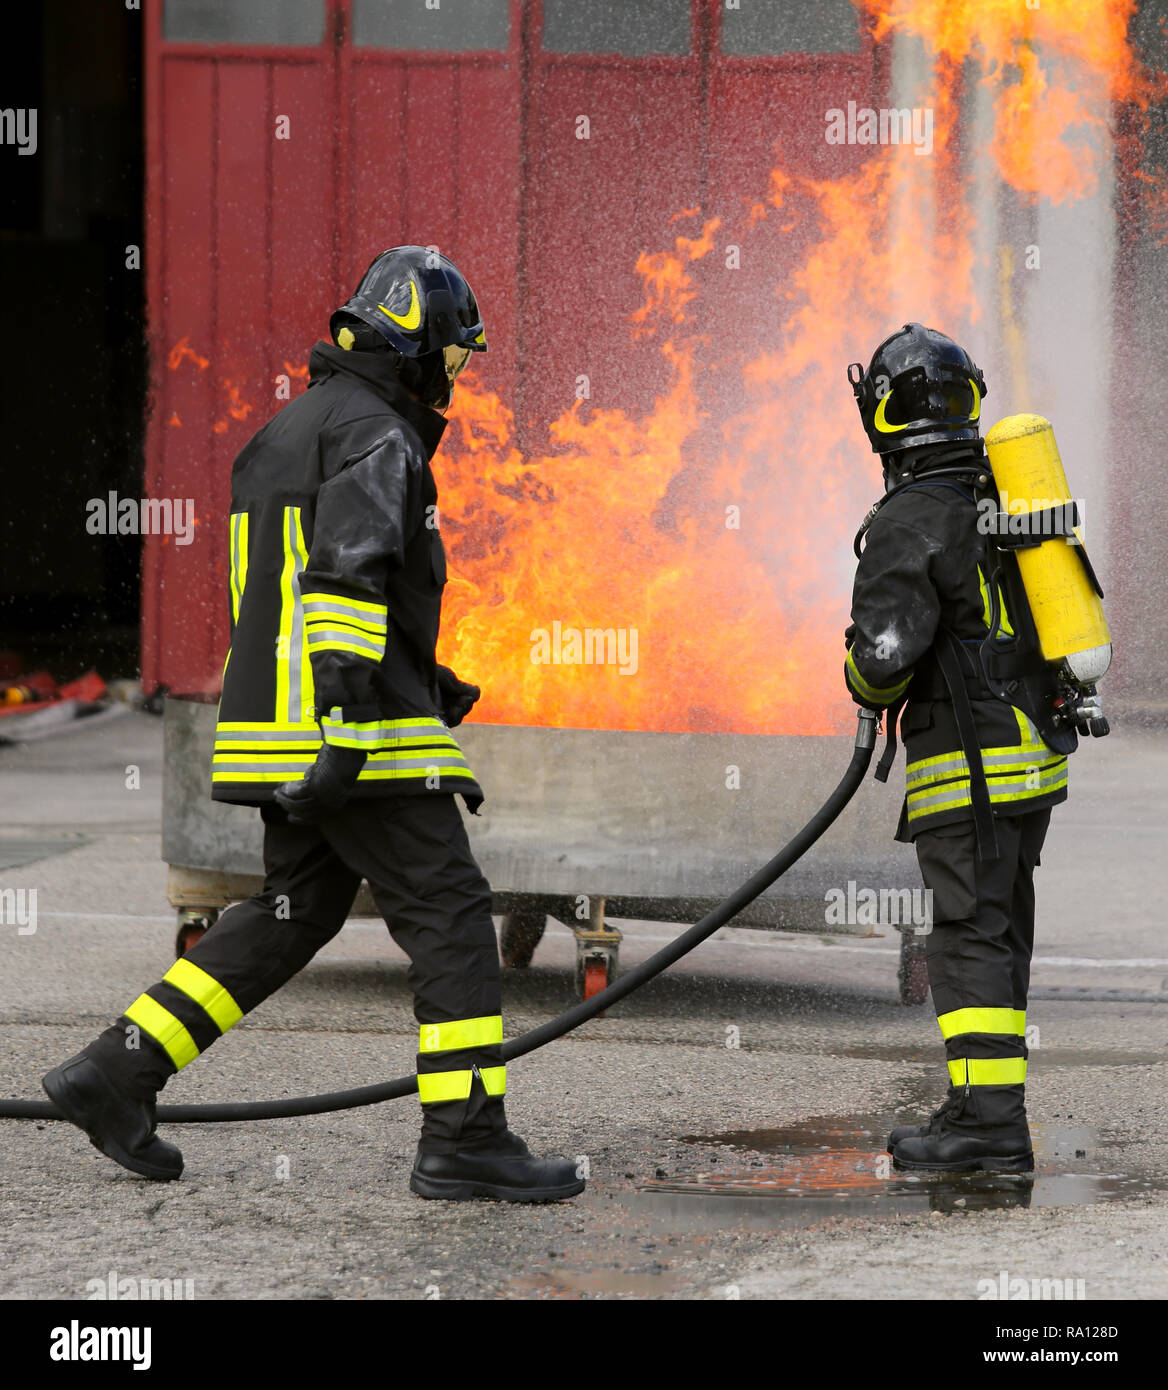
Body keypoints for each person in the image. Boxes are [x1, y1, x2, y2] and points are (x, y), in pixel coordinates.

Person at [43, 246, 584, 1203]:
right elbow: (340, 583)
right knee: (453, 913)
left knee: (293, 915)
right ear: (414, 345)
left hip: (277, 724)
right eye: (450, 359)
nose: (451, 380)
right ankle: (465, 1138)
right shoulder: (381, 437)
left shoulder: (287, 430)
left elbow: (283, 592)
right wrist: (347, 726)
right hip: (348, 737)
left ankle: (116, 1071)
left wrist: (422, 673)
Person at [843, 323, 1076, 1174]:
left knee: (966, 936)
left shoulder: (909, 517)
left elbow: (884, 656)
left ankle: (986, 1123)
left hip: (967, 770)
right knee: (1001, 926)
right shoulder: (1003, 493)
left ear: (883, 419)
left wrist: (858, 677)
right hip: (1033, 762)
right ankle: (985, 1106)